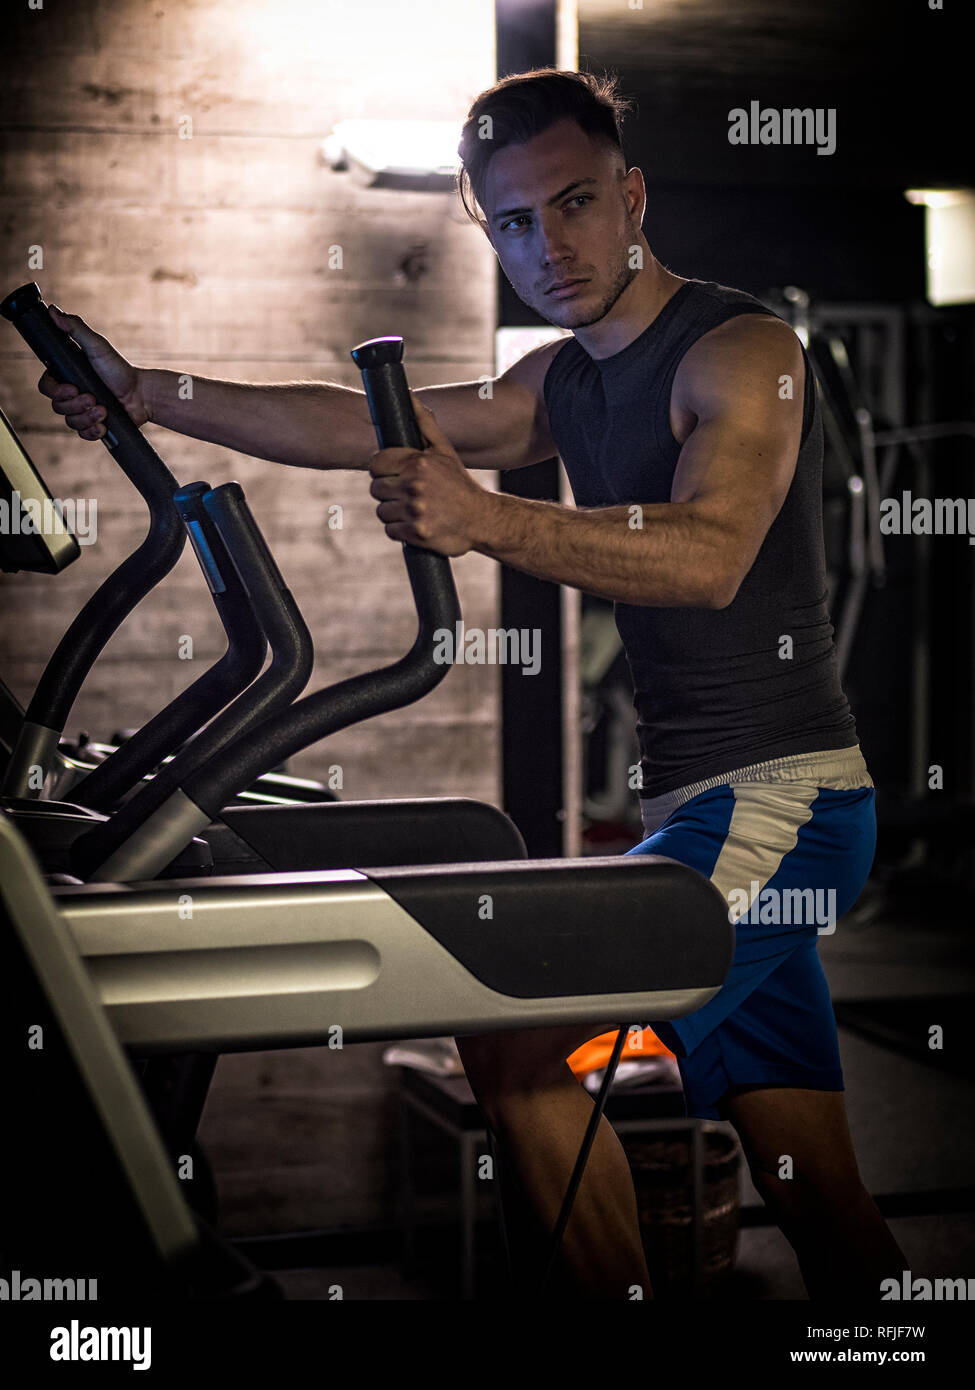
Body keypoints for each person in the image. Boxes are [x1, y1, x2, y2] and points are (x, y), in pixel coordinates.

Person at [39, 67, 907, 1303]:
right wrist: (149, 394)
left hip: (786, 808)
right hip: (698, 820)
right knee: (819, 1193)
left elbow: (711, 558)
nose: (546, 244)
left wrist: (483, 520)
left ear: (633, 194)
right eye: (511, 221)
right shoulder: (559, 381)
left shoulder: (743, 350)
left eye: (574, 203)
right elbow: (361, 425)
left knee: (524, 1032)